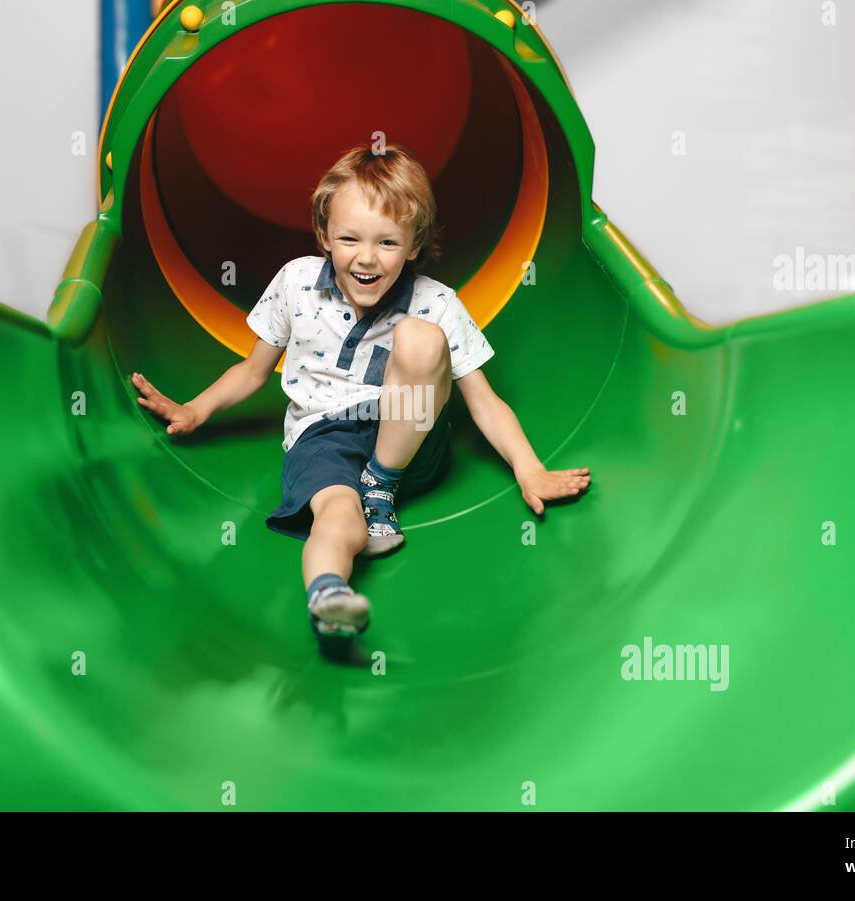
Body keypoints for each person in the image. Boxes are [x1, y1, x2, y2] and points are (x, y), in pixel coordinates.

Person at [132, 144, 589, 642]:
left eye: (388, 243)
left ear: (415, 245)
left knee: (420, 338)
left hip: (410, 439)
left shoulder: (435, 302)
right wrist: (196, 410)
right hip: (323, 436)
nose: (367, 258)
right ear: (324, 236)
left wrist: (530, 470)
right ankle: (330, 595)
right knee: (336, 514)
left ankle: (380, 482)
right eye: (349, 238)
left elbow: (483, 401)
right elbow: (253, 370)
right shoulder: (297, 283)